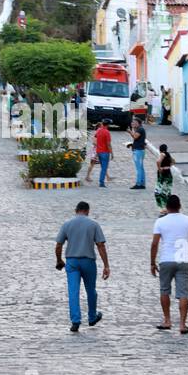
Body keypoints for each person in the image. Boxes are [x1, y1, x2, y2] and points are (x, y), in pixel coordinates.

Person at [150, 193, 188, 333]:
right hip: (183, 260)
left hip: (166, 260)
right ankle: (182, 324)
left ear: (166, 207)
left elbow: (154, 244)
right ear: (180, 206)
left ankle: (167, 321)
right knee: (183, 293)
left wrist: (152, 263)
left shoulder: (160, 222)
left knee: (164, 290)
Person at [55, 200, 110, 332]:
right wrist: (106, 265)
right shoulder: (93, 225)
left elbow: (58, 245)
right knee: (91, 290)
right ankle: (92, 317)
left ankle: (75, 321)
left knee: (73, 291)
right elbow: (100, 245)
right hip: (88, 261)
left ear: (76, 210)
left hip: (72, 262)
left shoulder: (67, 224)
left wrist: (59, 260)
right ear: (87, 211)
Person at [84, 121, 112, 187]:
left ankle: (107, 177)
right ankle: (87, 176)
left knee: (103, 165)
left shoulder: (99, 132)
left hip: (99, 150)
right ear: (99, 127)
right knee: (92, 164)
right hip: (96, 151)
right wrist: (101, 144)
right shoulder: (97, 133)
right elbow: (94, 142)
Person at [129, 116, 147, 189]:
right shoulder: (139, 129)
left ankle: (139, 183)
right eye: (133, 122)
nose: (133, 123)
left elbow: (135, 137)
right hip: (139, 149)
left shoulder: (140, 129)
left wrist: (130, 132)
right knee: (141, 167)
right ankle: (142, 183)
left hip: (138, 151)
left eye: (135, 122)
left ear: (139, 123)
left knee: (139, 168)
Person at [154, 144, 174, 209]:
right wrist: (169, 166)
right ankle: (169, 207)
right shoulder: (168, 154)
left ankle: (162, 207)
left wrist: (160, 169)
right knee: (167, 191)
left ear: (160, 149)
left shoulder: (162, 154)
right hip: (169, 173)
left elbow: (158, 161)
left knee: (158, 192)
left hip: (163, 174)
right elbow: (173, 161)